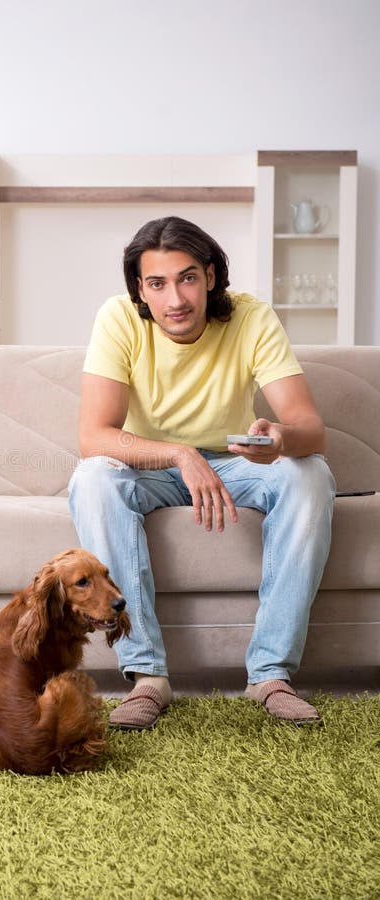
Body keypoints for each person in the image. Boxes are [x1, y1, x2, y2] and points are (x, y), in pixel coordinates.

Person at [68, 216, 335, 730]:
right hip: (154, 467)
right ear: (139, 290)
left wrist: (279, 439)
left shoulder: (251, 317)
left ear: (211, 276)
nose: (176, 300)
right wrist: (179, 454)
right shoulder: (119, 319)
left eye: (188, 278)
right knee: (94, 477)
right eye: (157, 284)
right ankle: (147, 676)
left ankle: (270, 675)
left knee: (310, 474)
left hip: (237, 464)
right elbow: (94, 436)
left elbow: (310, 429)